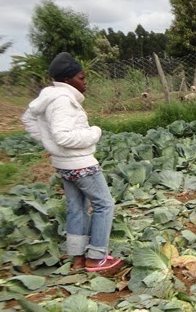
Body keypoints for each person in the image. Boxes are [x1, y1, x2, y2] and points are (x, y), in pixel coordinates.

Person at [22, 52, 122, 275]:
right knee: (104, 205)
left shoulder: (47, 98)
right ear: (67, 80)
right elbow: (63, 137)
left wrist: (49, 143)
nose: (85, 82)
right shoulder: (63, 100)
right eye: (82, 78)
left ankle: (78, 259)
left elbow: (28, 118)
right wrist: (93, 133)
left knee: (76, 208)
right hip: (81, 164)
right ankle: (97, 257)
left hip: (64, 164)